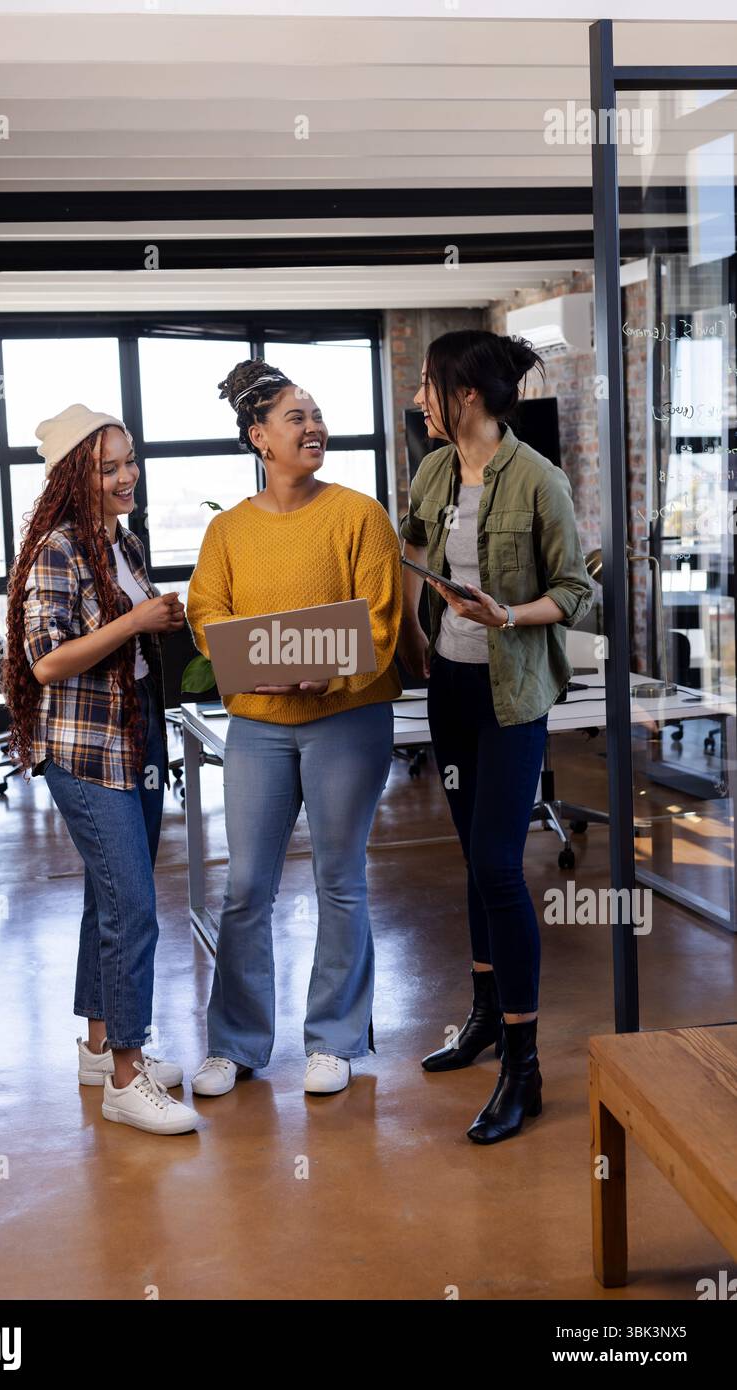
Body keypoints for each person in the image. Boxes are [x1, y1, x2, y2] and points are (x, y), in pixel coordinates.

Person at [185, 359, 402, 1097]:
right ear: (259, 439)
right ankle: (235, 1045)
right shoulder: (228, 530)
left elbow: (379, 617)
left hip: (346, 720)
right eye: (294, 418)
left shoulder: (359, 515)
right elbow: (205, 612)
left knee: (340, 879)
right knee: (246, 886)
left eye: (315, 415)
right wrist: (250, 660)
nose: (313, 428)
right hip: (259, 727)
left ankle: (333, 1041)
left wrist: (327, 672)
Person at [397, 331, 594, 1144]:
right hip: (452, 687)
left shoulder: (539, 480)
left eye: (427, 385)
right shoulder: (436, 468)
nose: (418, 397)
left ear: (464, 395)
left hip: (513, 696)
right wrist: (415, 617)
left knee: (497, 869)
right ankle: (482, 1016)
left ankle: (525, 1066)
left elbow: (576, 592)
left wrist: (506, 614)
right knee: (472, 865)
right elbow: (413, 543)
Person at [3, 403, 198, 1137]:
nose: (126, 477)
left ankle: (96, 1047)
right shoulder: (59, 548)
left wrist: (158, 620)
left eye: (129, 462)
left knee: (106, 899)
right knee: (133, 908)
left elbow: (128, 641)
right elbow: (47, 660)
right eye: (106, 468)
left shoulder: (121, 543)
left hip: (135, 740)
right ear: (72, 480)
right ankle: (125, 1075)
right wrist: (134, 622)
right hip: (88, 755)